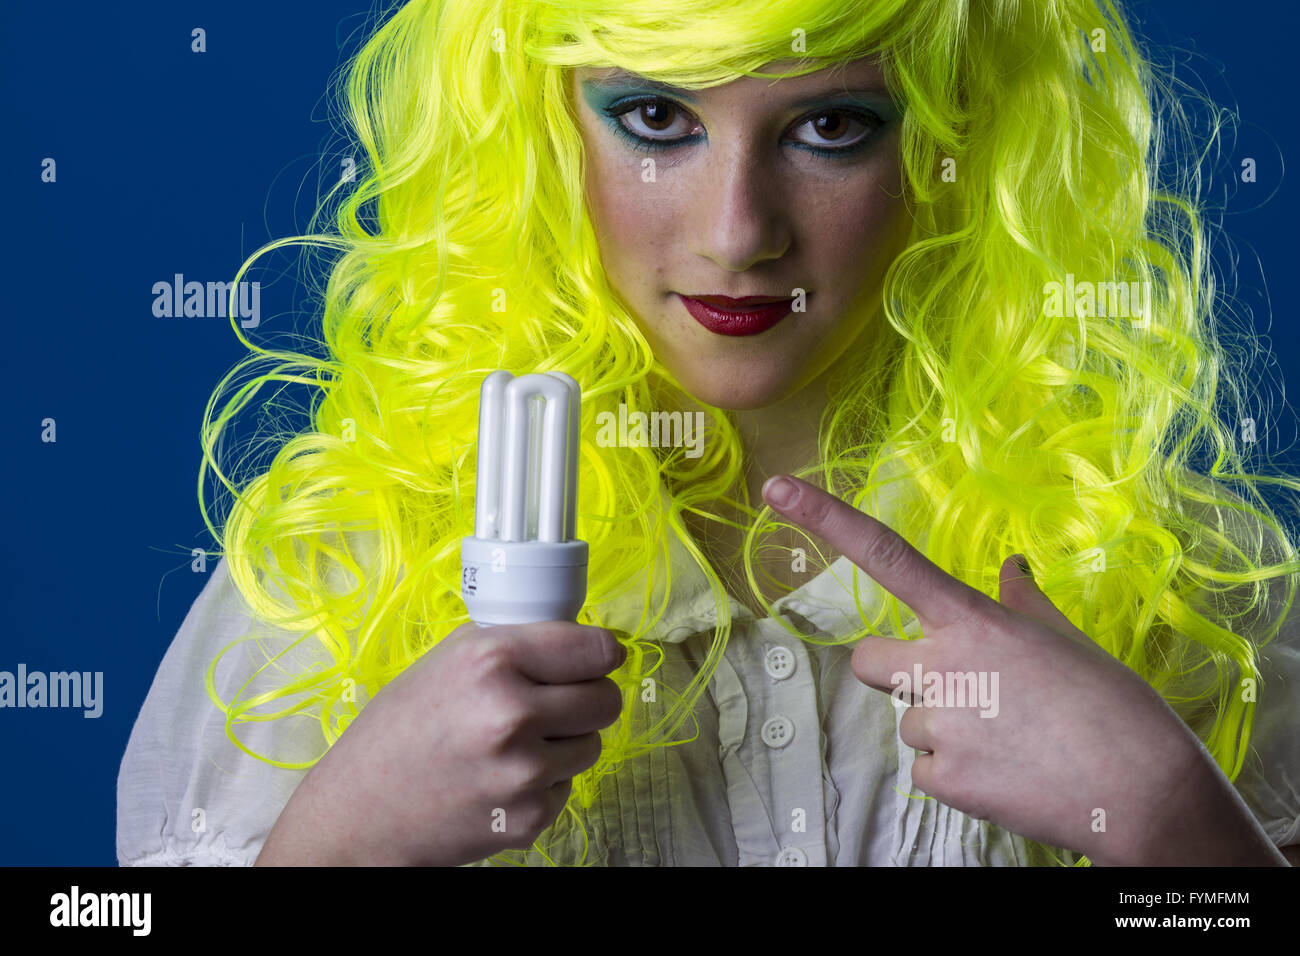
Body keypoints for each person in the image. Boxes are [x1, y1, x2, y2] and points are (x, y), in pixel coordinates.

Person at [117, 0, 1300, 867]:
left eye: (832, 126)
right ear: (542, 132)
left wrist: (1171, 824)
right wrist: (336, 848)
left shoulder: (1178, 590)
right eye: (653, 117)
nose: (738, 233)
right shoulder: (337, 586)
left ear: (960, 142)